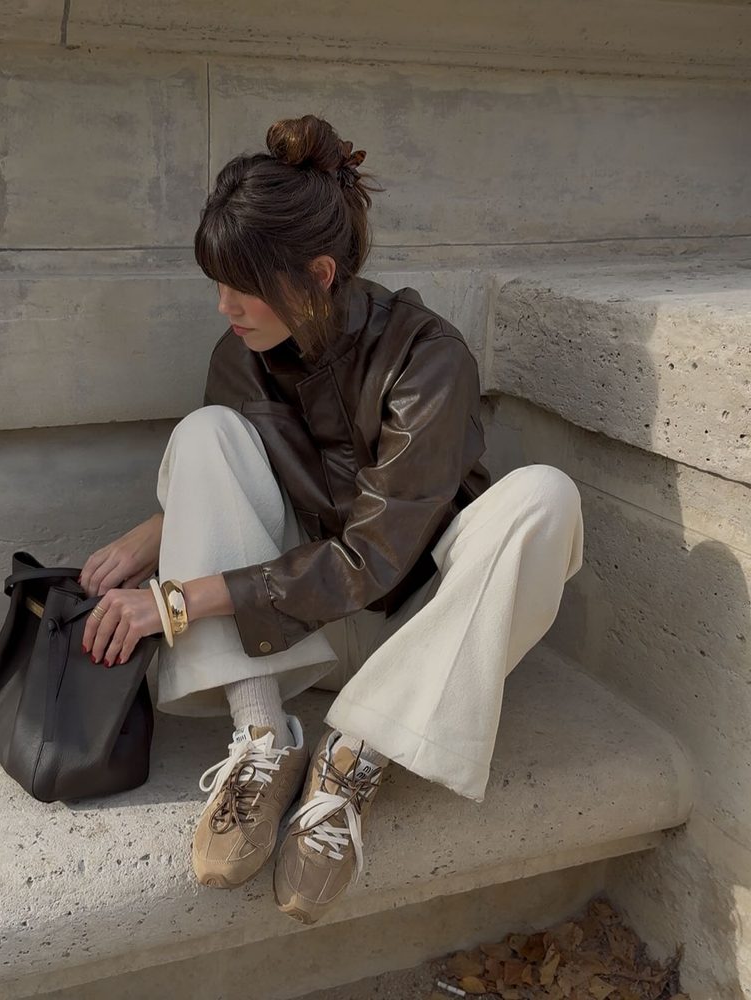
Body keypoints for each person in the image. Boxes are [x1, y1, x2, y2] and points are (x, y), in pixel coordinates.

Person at [78, 114, 584, 926]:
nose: (224, 305)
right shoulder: (239, 354)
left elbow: (374, 557)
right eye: (217, 282)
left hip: (419, 633)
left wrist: (175, 601)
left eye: (242, 285)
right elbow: (248, 480)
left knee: (546, 497)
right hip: (295, 639)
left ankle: (350, 762)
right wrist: (156, 534)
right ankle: (263, 739)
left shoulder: (428, 358)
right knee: (203, 433)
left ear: (318, 274)